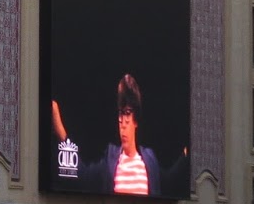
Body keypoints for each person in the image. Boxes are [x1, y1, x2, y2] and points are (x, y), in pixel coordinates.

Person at [51, 74, 181, 196]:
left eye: (128, 113)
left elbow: (167, 180)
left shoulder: (150, 158)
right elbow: (81, 174)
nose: (123, 123)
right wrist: (62, 136)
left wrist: (186, 156)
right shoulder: (109, 160)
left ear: (136, 120)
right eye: (120, 113)